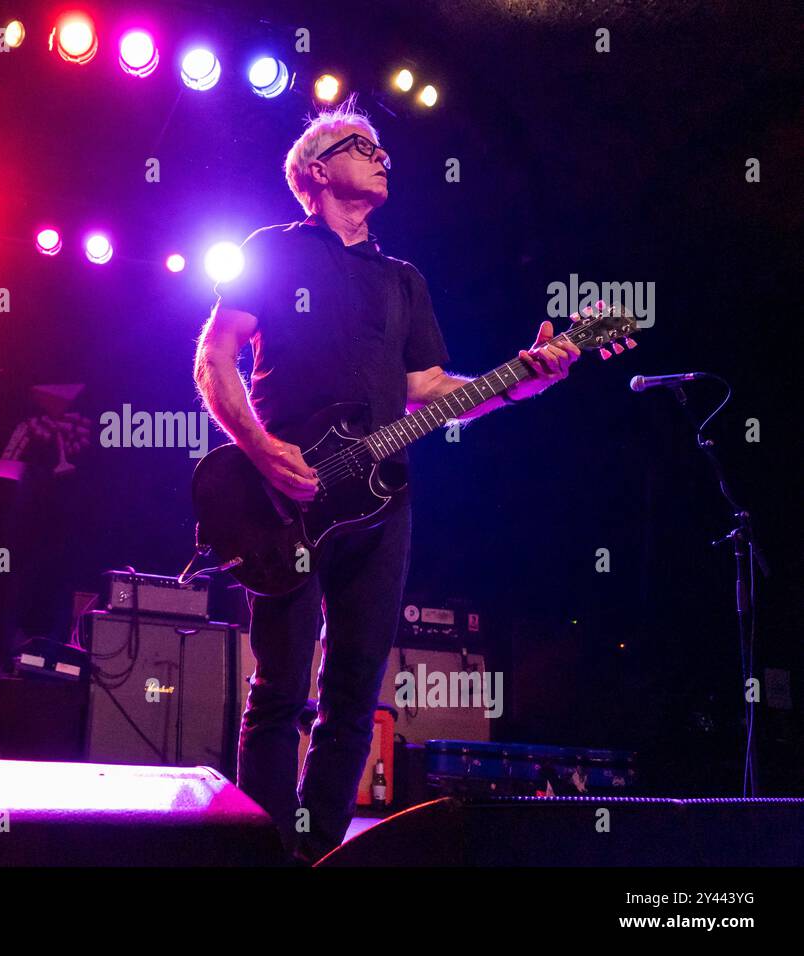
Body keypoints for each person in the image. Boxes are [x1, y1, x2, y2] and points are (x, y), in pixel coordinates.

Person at [193, 100, 580, 864]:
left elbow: (431, 386)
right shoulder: (269, 250)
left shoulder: (404, 280)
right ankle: (258, 853)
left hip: (382, 503)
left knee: (355, 694)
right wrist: (266, 452)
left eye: (381, 148)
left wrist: (523, 381)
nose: (381, 156)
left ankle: (316, 852)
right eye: (360, 145)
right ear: (313, 171)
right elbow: (215, 358)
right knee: (277, 692)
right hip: (282, 503)